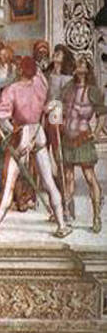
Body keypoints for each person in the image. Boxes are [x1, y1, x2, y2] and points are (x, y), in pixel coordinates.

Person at [0, 57, 70, 239]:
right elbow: (40, 80)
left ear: (20, 70)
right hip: (38, 134)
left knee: (8, 187)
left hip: (21, 137)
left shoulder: (11, 90)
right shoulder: (40, 86)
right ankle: (62, 225)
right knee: (49, 183)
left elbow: (1, 117)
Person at [59, 58, 104, 231]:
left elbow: (101, 114)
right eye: (77, 64)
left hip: (83, 138)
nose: (78, 67)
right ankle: (66, 215)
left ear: (87, 69)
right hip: (68, 139)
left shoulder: (93, 91)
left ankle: (96, 217)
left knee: (89, 177)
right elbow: (60, 108)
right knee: (68, 178)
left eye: (82, 64)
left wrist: (96, 132)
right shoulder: (68, 89)